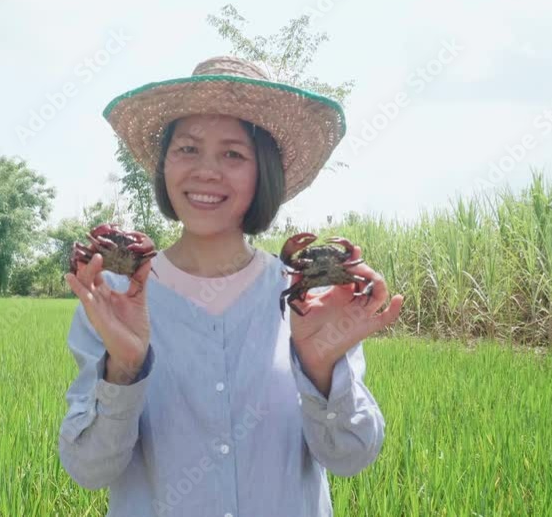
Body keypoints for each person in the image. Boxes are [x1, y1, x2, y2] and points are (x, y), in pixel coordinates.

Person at [59, 55, 404, 516]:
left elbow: (351, 457)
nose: (206, 170)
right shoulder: (115, 299)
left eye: (233, 154)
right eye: (187, 149)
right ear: (164, 165)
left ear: (265, 173)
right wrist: (123, 369)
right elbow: (88, 469)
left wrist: (320, 370)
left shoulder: (306, 300)